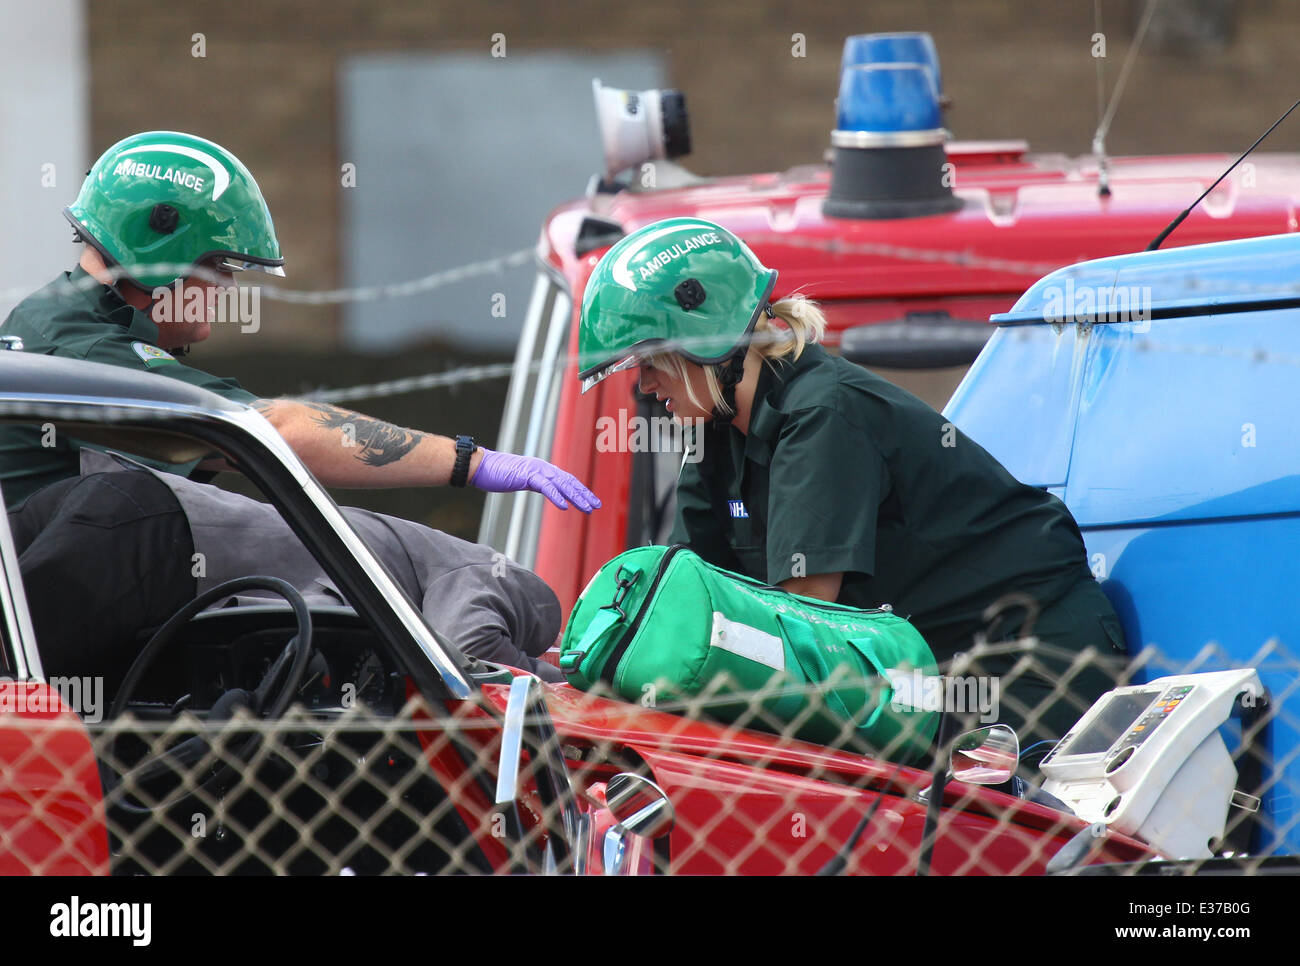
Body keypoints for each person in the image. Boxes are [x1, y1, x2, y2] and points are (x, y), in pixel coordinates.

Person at [576, 217, 1125, 746]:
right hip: (928, 676)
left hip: (1030, 666)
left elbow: (798, 628)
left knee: (957, 826)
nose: (645, 386)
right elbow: (680, 593)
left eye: (650, 361)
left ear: (705, 340)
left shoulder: (823, 413)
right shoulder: (717, 432)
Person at [0, 130, 598, 516]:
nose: (229, 289)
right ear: (160, 258)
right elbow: (274, 431)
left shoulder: (65, 326)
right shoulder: (79, 346)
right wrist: (472, 462)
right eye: (220, 266)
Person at [9, 450, 566, 696]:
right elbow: (464, 654)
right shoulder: (508, 581)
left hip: (121, 511)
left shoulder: (420, 560)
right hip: (156, 536)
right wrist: (571, 686)